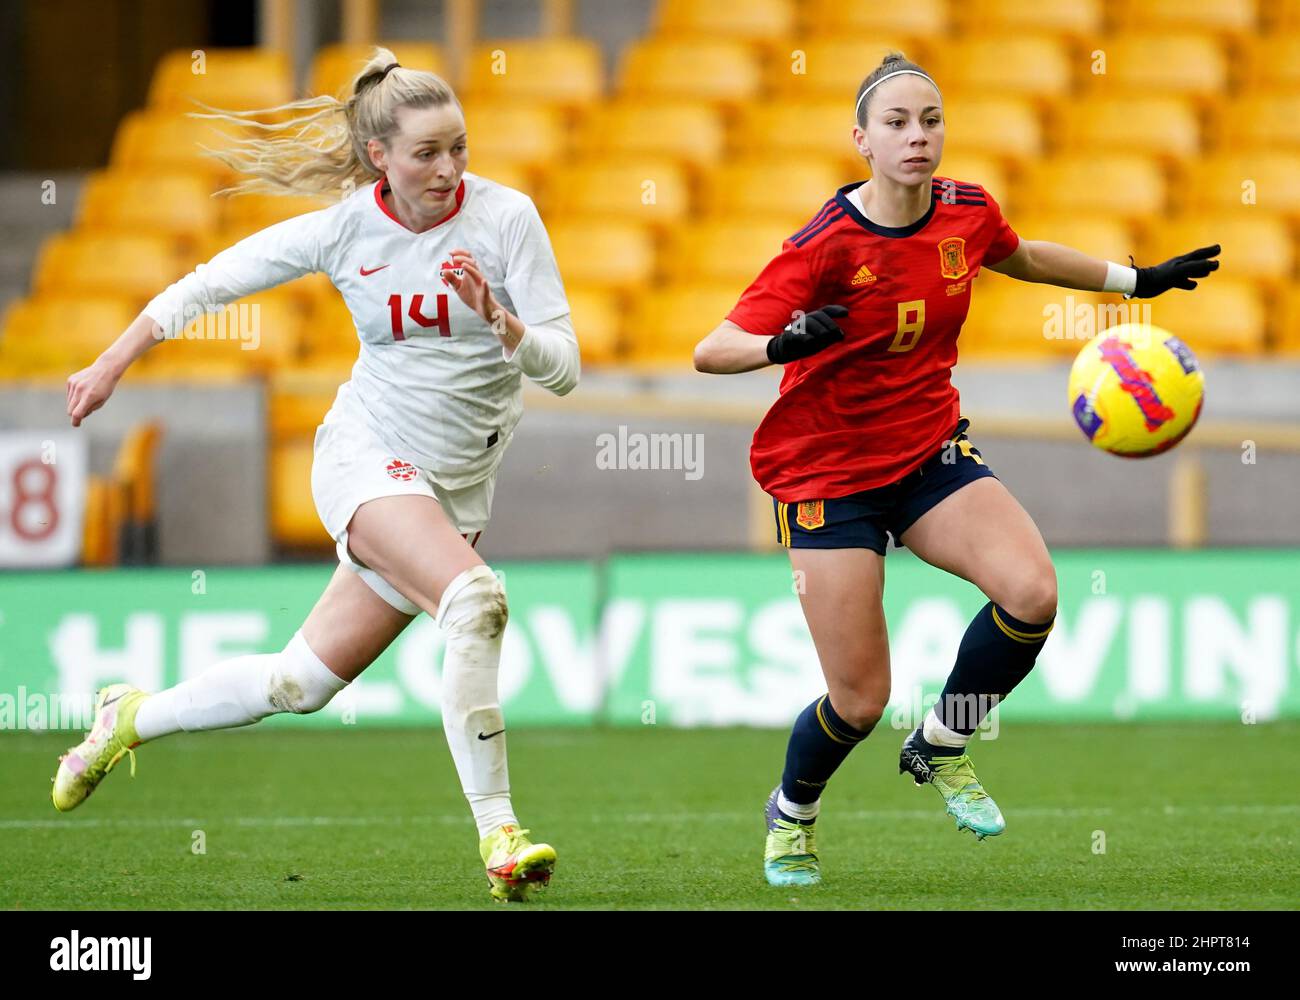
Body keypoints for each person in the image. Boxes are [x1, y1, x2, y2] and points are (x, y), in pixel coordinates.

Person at [54, 48, 580, 903]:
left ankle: (129, 719)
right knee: (476, 602)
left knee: (297, 684)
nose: (449, 169)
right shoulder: (344, 229)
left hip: (456, 487)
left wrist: (500, 319)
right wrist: (112, 362)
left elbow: (564, 369)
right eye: (427, 153)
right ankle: (500, 836)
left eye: (459, 148)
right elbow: (212, 281)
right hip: (366, 456)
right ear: (381, 156)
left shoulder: (507, 219)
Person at [693, 52, 1220, 887]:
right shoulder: (824, 245)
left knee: (1034, 594)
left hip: (929, 451)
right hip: (827, 474)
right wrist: (781, 344)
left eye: (930, 120)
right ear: (861, 139)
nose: (917, 136)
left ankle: (943, 743)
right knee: (860, 702)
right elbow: (709, 350)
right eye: (896, 123)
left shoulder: (967, 211)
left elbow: (1025, 257)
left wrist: (1136, 282)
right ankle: (792, 811)